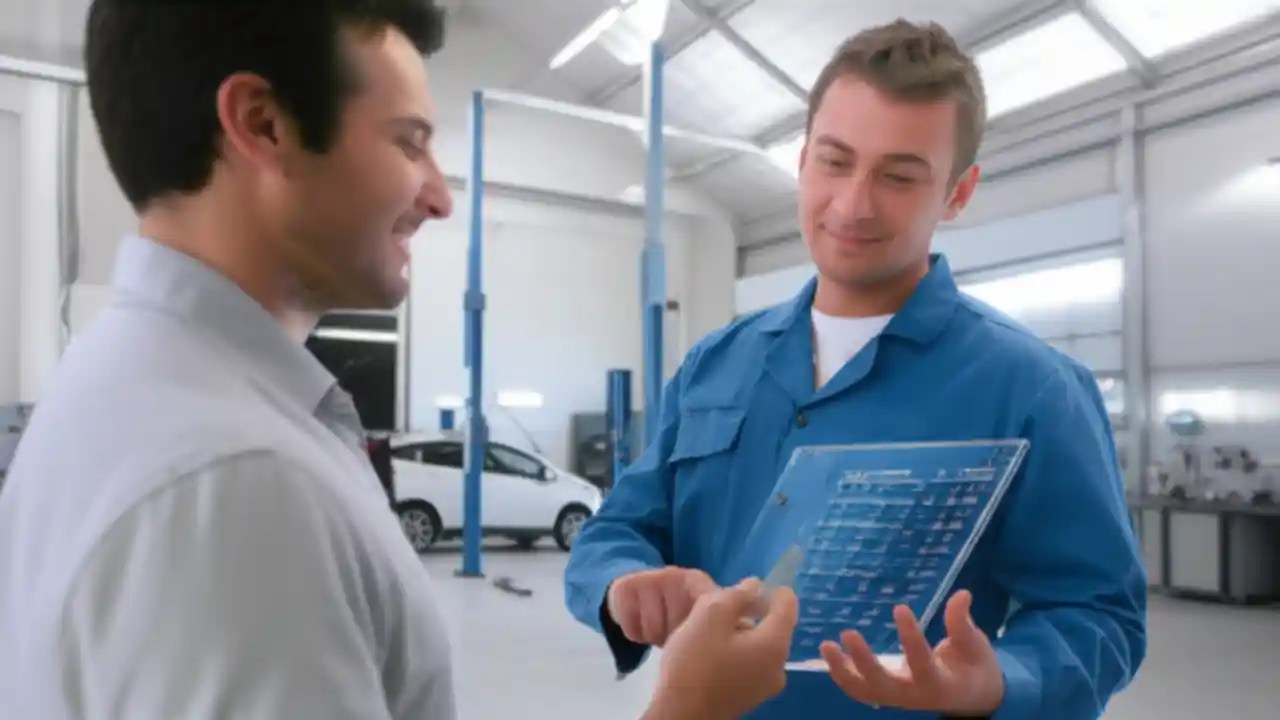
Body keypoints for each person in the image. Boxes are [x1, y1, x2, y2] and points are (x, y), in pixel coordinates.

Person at [0, 2, 801, 719]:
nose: (439, 197)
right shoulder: (238, 479)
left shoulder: (118, 386)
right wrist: (691, 708)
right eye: (408, 142)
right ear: (263, 124)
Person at [565, 18, 1148, 720]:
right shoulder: (714, 366)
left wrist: (998, 680)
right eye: (835, 162)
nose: (852, 204)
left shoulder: (1032, 389)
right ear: (803, 159)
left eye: (898, 176)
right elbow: (616, 529)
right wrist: (624, 583)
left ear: (958, 193)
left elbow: (1100, 614)